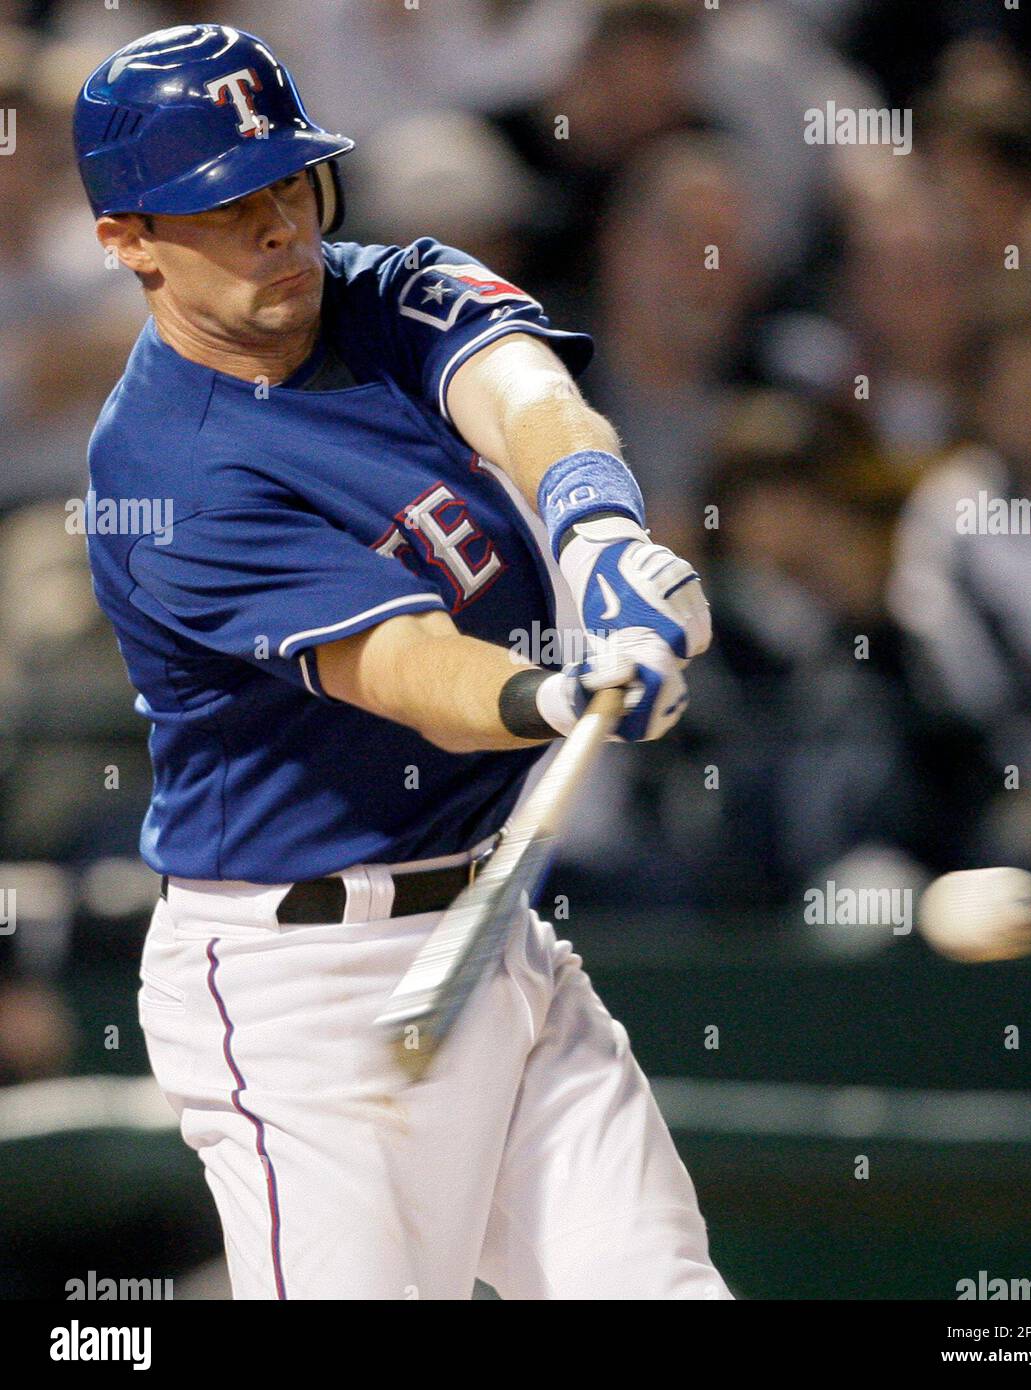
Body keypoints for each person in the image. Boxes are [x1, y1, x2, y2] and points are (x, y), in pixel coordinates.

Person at [72, 23, 728, 1300]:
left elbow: (523, 391)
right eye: (222, 204)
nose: (277, 228)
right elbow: (409, 669)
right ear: (129, 240)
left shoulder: (372, 289)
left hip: (493, 934)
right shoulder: (164, 472)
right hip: (300, 990)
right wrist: (558, 693)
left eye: (288, 182)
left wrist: (595, 532)